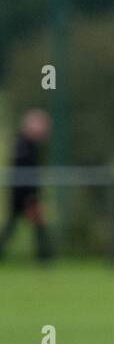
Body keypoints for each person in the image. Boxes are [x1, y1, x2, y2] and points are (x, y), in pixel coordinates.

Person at [0, 109, 54, 263]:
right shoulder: (23, 146)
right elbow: (23, 175)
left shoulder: (29, 146)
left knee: (34, 228)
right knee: (20, 228)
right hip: (22, 197)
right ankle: (45, 259)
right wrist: (30, 199)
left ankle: (45, 259)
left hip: (25, 195)